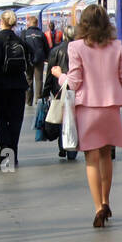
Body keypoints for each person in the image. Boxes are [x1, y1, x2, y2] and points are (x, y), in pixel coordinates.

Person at [59, 6, 122, 224]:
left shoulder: (76, 47)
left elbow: (74, 82)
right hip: (110, 108)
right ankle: (107, 200)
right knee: (106, 156)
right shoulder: (116, 46)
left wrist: (59, 77)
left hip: (87, 109)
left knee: (91, 159)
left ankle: (98, 207)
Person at [0, 9, 30, 165]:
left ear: (1, 22)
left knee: (1, 117)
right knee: (16, 120)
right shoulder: (21, 41)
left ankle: (5, 148)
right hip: (19, 85)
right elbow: (28, 60)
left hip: (1, 85)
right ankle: (13, 154)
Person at [45, 24, 79, 161]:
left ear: (64, 35)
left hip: (58, 88)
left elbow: (49, 72)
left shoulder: (55, 50)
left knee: (61, 117)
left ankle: (62, 147)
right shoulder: (80, 51)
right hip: (75, 88)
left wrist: (45, 91)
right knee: (72, 118)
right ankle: (71, 149)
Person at [21, 14, 49, 106]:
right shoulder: (41, 34)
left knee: (29, 79)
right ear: (37, 24)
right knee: (39, 80)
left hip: (28, 60)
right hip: (39, 59)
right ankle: (38, 99)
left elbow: (22, 47)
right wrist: (47, 57)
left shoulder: (25, 34)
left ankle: (28, 101)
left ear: (29, 23)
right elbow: (46, 47)